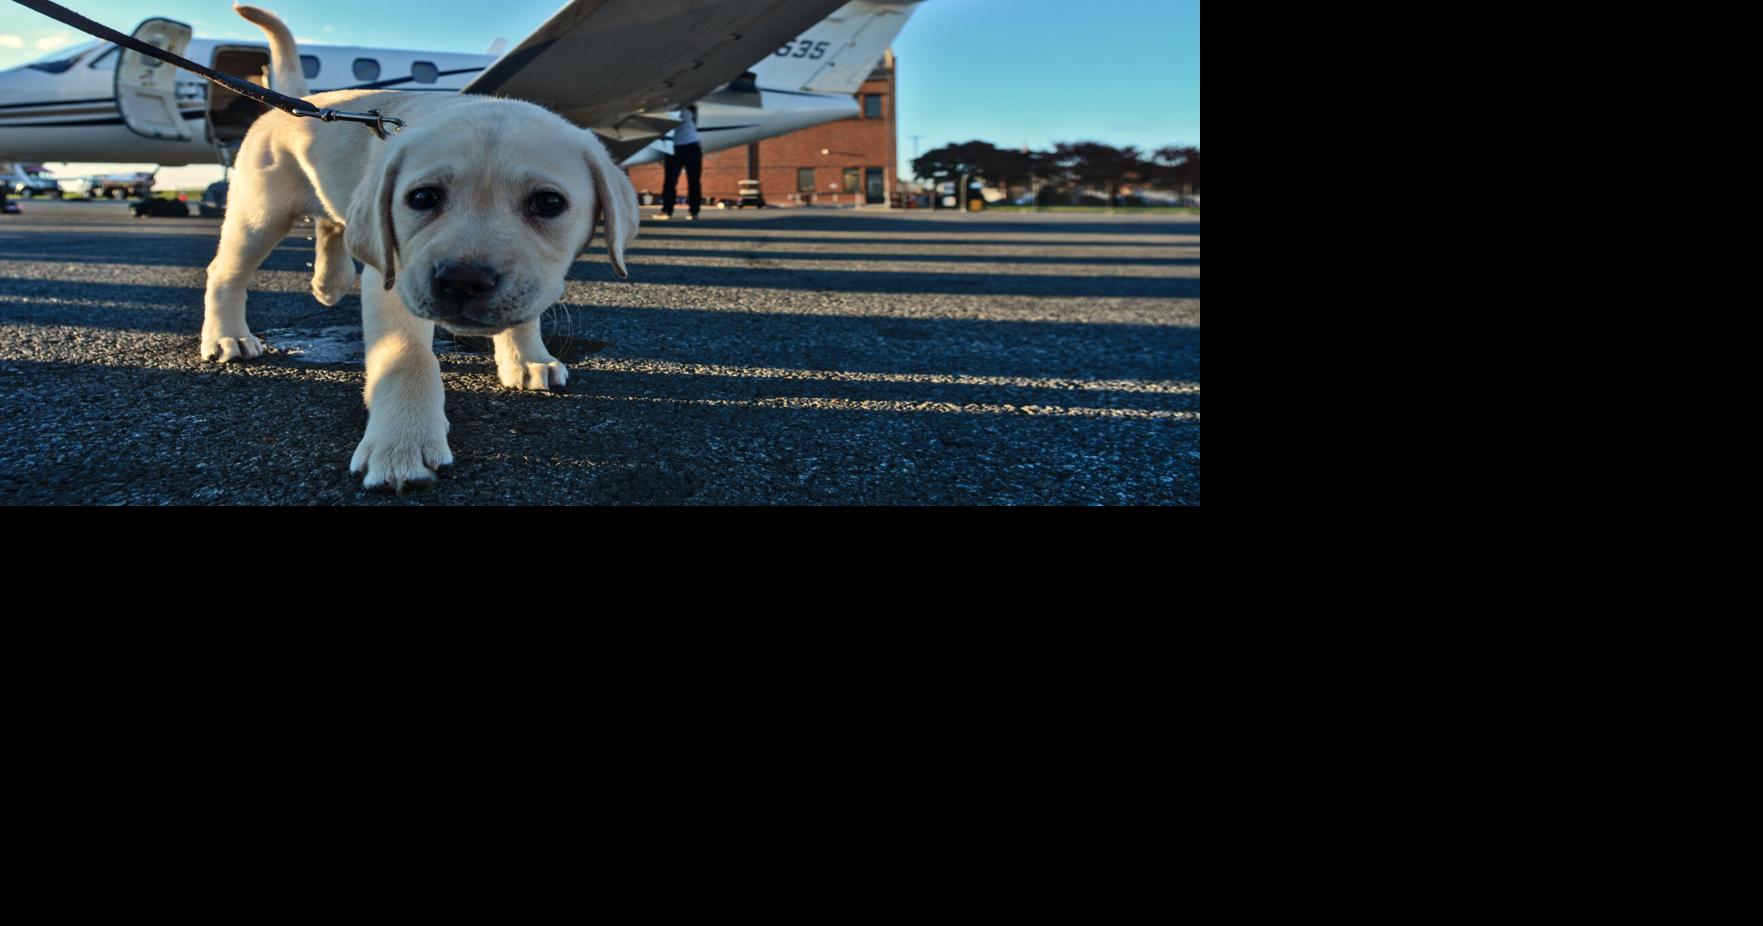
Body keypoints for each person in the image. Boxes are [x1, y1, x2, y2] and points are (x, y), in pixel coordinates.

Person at [657, 105, 702, 221]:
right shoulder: (669, 109)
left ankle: (694, 211)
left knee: (693, 182)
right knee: (670, 182)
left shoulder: (684, 108)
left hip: (691, 146)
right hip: (675, 147)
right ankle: (667, 210)